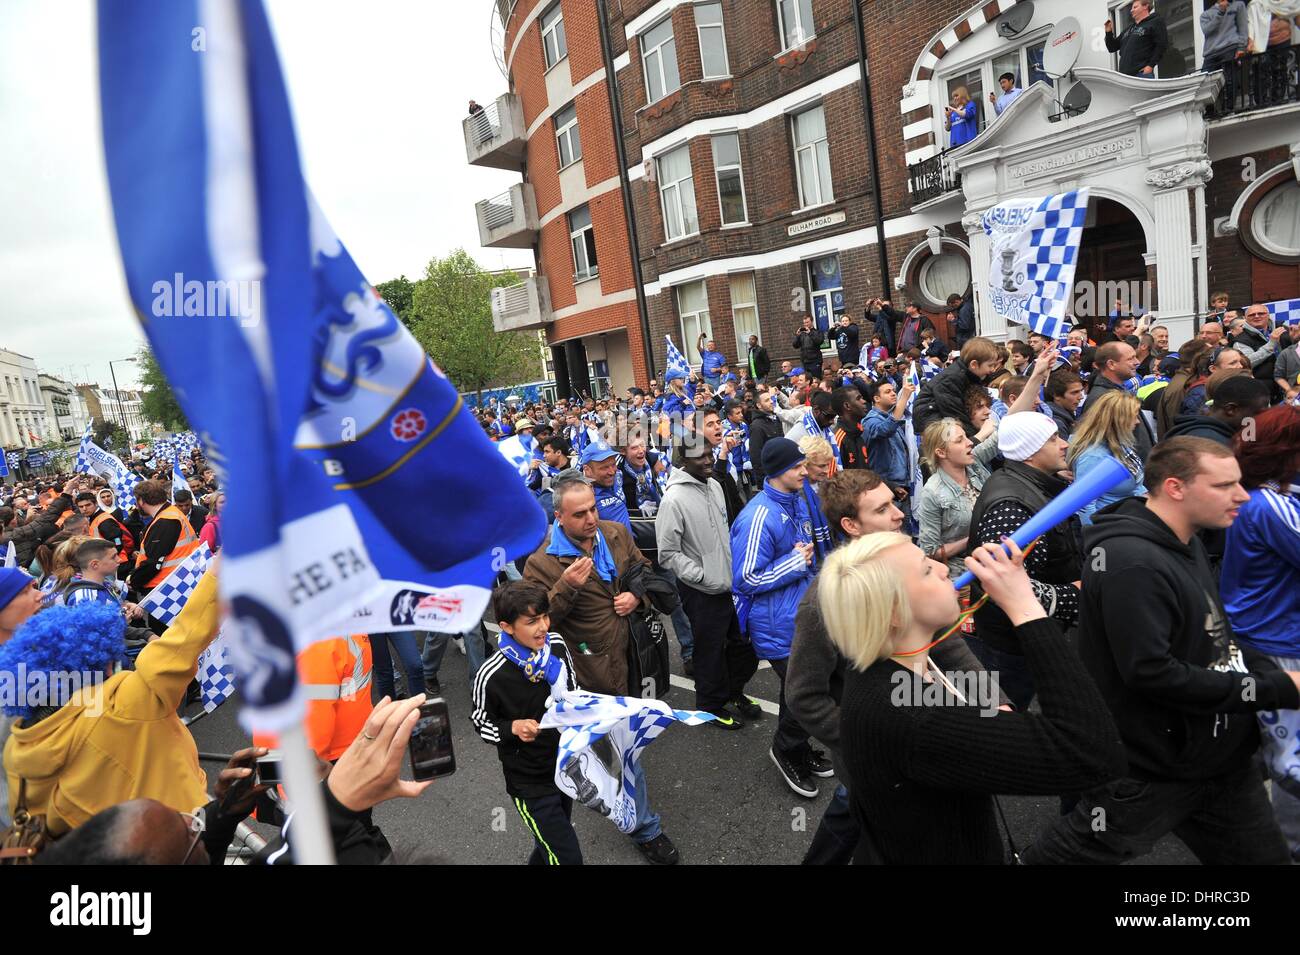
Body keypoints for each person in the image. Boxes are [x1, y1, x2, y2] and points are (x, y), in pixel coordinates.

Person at [1025, 437, 1300, 865]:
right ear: (1175, 487)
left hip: (1219, 760)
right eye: (1225, 485)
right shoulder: (1132, 562)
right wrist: (1274, 687)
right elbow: (1152, 673)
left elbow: (1216, 634)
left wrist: (1267, 677)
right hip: (1153, 770)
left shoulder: (1184, 538)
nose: (1243, 496)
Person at [821, 534, 1125, 865]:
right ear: (895, 611)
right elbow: (1092, 752)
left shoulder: (884, 664)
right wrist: (1024, 605)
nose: (942, 569)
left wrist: (991, 712)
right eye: (925, 570)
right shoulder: (915, 717)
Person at [523, 474, 679, 864]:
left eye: (593, 508)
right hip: (587, 677)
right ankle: (631, 822)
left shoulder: (614, 533)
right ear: (559, 516)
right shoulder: (541, 562)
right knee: (605, 755)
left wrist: (636, 598)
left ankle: (638, 821)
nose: (591, 518)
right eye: (580, 514)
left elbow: (644, 571)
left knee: (626, 753)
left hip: (631, 661)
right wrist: (565, 587)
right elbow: (535, 625)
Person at [2, 565, 220, 837]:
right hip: (180, 838)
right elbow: (183, 641)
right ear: (95, 663)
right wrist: (218, 574)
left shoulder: (19, 748)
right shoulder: (122, 705)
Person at [1221, 405, 1300, 858]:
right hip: (1277, 644)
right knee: (1292, 762)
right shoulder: (1269, 503)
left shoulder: (1275, 494)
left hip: (1273, 636)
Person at [731, 438, 830, 798]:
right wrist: (793, 563)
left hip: (801, 619)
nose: (805, 470)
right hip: (776, 627)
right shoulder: (758, 516)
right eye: (797, 466)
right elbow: (745, 578)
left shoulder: (799, 499)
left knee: (803, 691)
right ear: (776, 473)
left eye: (804, 464)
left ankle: (798, 748)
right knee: (804, 693)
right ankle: (786, 750)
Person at [966, 413, 1081, 711]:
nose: (1064, 445)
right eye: (1053, 439)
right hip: (1013, 644)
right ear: (1030, 452)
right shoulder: (1012, 506)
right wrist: (1074, 596)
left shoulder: (1030, 485)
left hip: (1028, 636)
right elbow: (1000, 583)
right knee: (1008, 715)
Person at [471, 580, 583, 865]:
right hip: (529, 783)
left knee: (549, 845)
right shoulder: (491, 674)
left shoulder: (556, 645)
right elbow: (480, 722)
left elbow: (573, 689)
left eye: (545, 616)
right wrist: (512, 728)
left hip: (564, 768)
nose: (544, 626)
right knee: (567, 857)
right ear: (506, 626)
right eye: (532, 621)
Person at [656, 441, 761, 728]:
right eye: (698, 457)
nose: (706, 460)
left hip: (730, 584)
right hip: (700, 590)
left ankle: (731, 692)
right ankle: (710, 704)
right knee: (710, 649)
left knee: (741, 646)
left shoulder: (714, 485)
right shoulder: (673, 499)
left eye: (708, 454)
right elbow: (667, 553)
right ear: (683, 461)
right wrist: (702, 576)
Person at [917, 417, 1001, 578]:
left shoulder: (974, 464)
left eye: (966, 437)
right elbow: (931, 551)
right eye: (959, 440)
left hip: (994, 563)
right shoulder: (932, 493)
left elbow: (1001, 436)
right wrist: (973, 539)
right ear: (941, 452)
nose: (969, 443)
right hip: (965, 576)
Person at [1069, 390, 1149, 524]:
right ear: (1119, 421)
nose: (1137, 422)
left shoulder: (1119, 443)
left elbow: (1136, 482)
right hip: (1110, 528)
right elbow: (1085, 506)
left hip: (1128, 519)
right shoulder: (1093, 456)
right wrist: (1096, 537)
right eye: (1134, 417)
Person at [128, 479, 202, 602]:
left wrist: (133, 580)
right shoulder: (171, 513)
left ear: (141, 500)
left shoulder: (166, 520)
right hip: (177, 581)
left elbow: (154, 562)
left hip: (165, 588)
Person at [913, 337, 1001, 437]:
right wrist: (975, 439)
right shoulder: (952, 379)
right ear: (974, 364)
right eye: (990, 366)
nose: (993, 370)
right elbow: (955, 415)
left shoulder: (967, 375)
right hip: (931, 421)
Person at [1083, 340, 1155, 463]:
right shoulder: (1102, 400)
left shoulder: (1117, 392)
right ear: (1111, 364)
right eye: (1130, 359)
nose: (1137, 362)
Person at [861, 378, 917, 525]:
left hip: (903, 484)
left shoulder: (891, 416)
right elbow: (886, 429)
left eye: (893, 391)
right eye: (888, 392)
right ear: (876, 398)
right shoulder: (870, 421)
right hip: (888, 485)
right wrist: (903, 397)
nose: (893, 394)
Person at [1164, 374, 1270, 445]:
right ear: (1231, 409)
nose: (1263, 419)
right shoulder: (1211, 446)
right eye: (1258, 414)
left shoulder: (1197, 431)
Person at [1201, 0, 1249, 108]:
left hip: (1229, 48)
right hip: (1211, 54)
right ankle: (1209, 112)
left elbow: (1243, 28)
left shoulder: (1238, 5)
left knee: (1230, 80)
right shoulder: (1206, 14)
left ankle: (1228, 109)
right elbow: (1207, 30)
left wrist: (1241, 47)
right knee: (1206, 85)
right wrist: (1221, 12)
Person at [1105, 0, 1168, 76]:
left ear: (1145, 6)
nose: (1131, 10)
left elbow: (1162, 45)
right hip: (1125, 77)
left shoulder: (1155, 22)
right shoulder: (1128, 29)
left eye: (1135, 7)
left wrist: (1150, 66)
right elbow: (1112, 47)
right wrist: (1108, 32)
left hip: (1141, 74)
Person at [748, 389, 784, 486]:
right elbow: (756, 456)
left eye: (771, 399)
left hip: (782, 471)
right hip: (770, 478)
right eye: (767, 400)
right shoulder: (756, 426)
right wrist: (764, 480)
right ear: (759, 405)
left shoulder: (775, 419)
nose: (771, 401)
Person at [831, 385, 870, 471]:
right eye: (858, 399)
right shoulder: (837, 440)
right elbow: (832, 479)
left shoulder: (859, 434)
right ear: (847, 406)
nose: (864, 401)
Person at [1046, 369, 1086, 440]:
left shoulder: (1067, 416)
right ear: (1056, 396)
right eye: (1074, 392)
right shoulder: (1056, 424)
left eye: (1081, 391)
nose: (1081, 397)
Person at [792, 315, 825, 381]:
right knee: (807, 381)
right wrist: (797, 336)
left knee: (816, 380)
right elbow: (795, 345)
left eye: (807, 322)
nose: (806, 324)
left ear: (812, 322)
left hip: (815, 361)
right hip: (805, 362)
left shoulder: (817, 332)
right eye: (804, 323)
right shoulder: (802, 334)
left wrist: (810, 333)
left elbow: (819, 341)